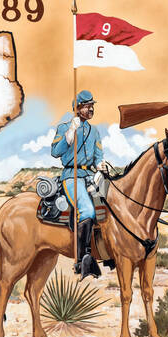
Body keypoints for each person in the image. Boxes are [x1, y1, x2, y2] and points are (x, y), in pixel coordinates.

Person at [51, 90, 114, 280]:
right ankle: (83, 259)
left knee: (112, 204)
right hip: (72, 176)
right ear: (77, 109)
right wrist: (70, 132)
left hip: (90, 175)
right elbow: (55, 152)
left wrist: (100, 166)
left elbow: (98, 156)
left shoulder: (94, 131)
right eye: (87, 105)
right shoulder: (64, 128)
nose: (91, 108)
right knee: (87, 210)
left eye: (92, 105)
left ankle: (108, 252)